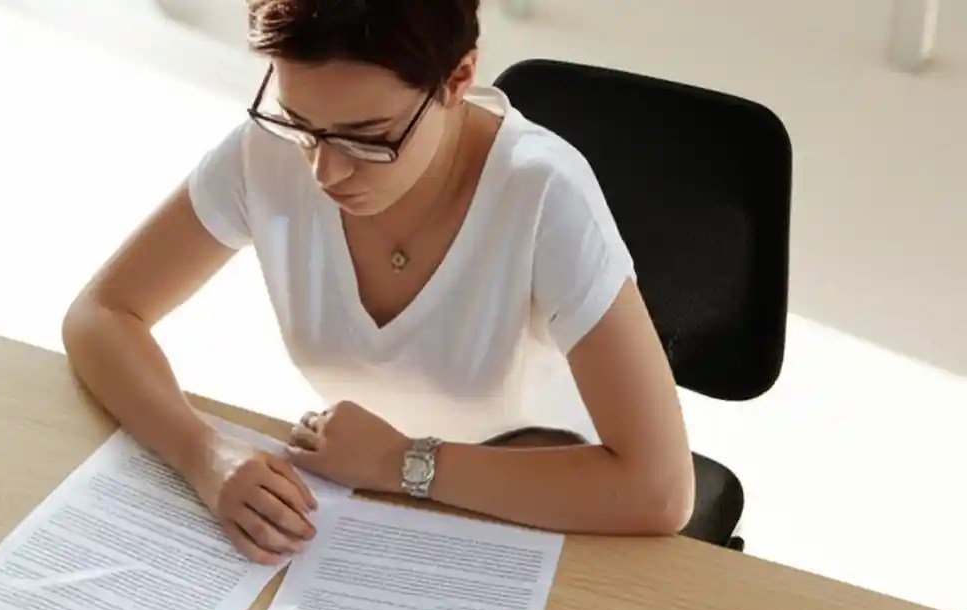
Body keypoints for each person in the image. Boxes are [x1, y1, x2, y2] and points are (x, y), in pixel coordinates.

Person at [63, 0, 695, 565]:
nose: (325, 172)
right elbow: (102, 314)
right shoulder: (270, 151)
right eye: (300, 122)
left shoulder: (544, 194)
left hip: (546, 505)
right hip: (361, 501)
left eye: (369, 139)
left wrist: (401, 462)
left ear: (458, 80)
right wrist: (205, 454)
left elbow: (660, 490)